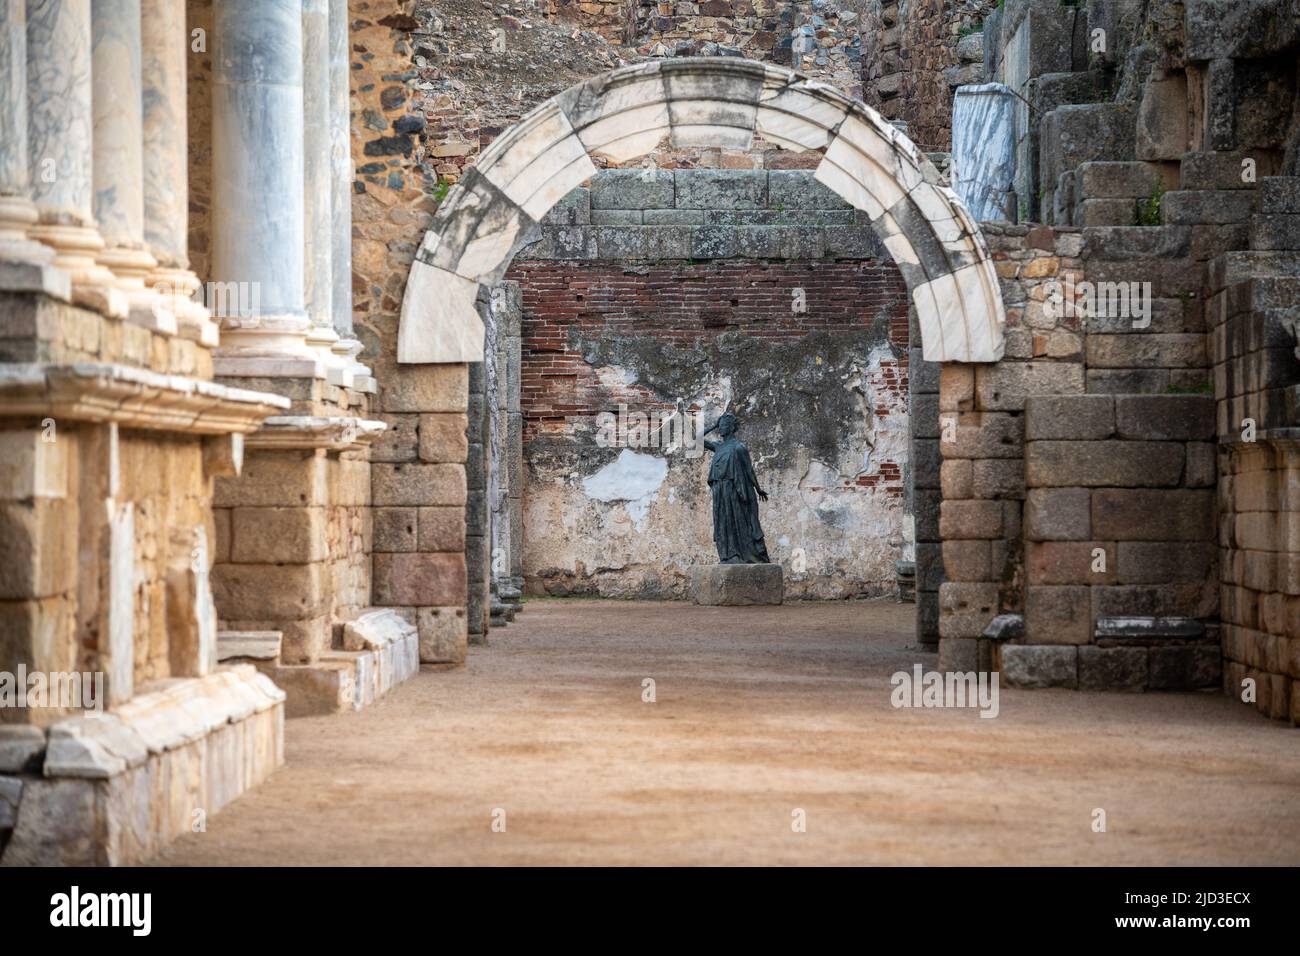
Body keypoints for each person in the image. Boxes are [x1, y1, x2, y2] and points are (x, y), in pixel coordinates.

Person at [702, 413, 771, 564]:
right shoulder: (718, 446)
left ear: (732, 427)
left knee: (736, 520)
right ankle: (727, 555)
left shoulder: (739, 447)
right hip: (718, 489)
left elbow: (749, 470)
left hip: (733, 489)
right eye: (720, 425)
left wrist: (758, 489)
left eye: (725, 425)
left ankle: (740, 554)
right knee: (722, 523)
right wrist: (714, 424)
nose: (722, 428)